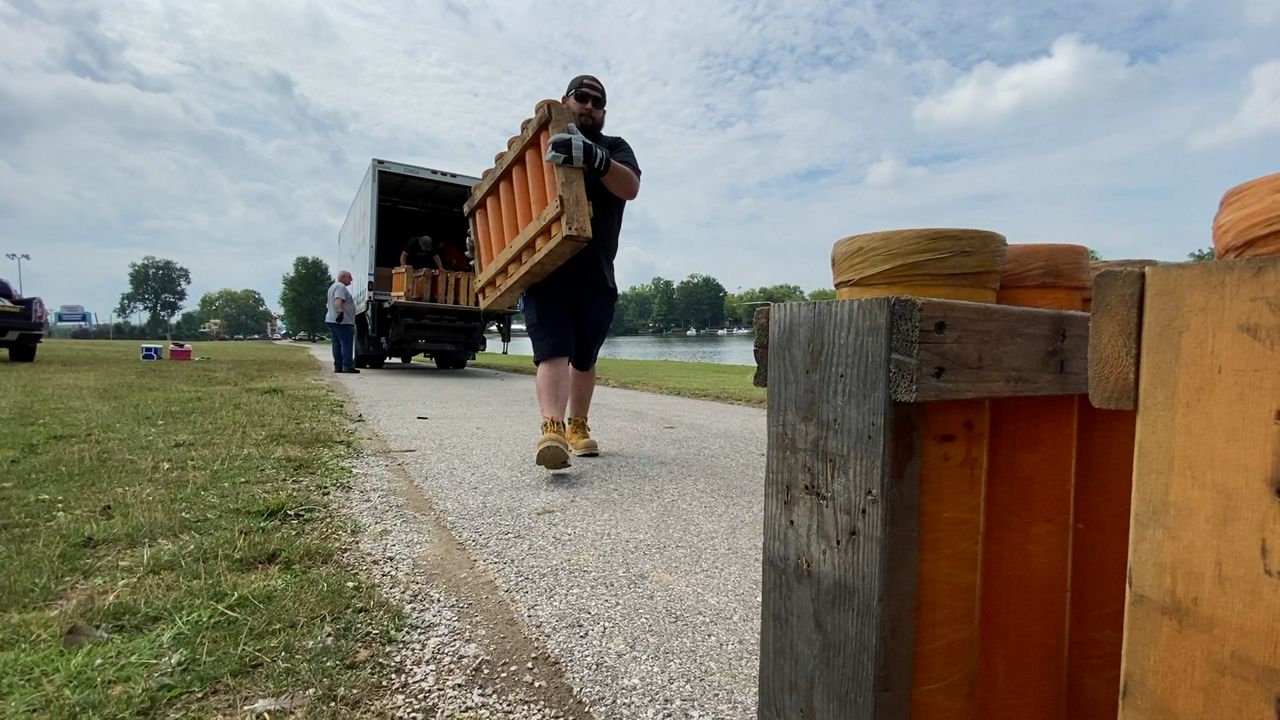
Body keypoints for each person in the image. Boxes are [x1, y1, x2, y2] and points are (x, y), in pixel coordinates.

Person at [527, 74, 641, 469]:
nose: (588, 105)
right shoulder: (538, 146)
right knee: (552, 349)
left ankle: (577, 425)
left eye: (597, 101)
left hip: (596, 273)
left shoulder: (615, 147)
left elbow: (630, 187)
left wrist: (595, 158)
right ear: (566, 100)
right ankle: (552, 429)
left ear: (604, 112)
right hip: (545, 269)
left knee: (585, 357)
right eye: (581, 97)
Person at [325, 270, 359, 374]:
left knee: (337, 344)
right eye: (350, 277)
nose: (351, 280)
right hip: (342, 321)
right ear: (343, 277)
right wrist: (340, 312)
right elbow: (338, 299)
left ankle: (338, 366)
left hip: (332, 319)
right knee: (346, 343)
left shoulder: (332, 287)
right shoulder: (340, 287)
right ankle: (347, 366)